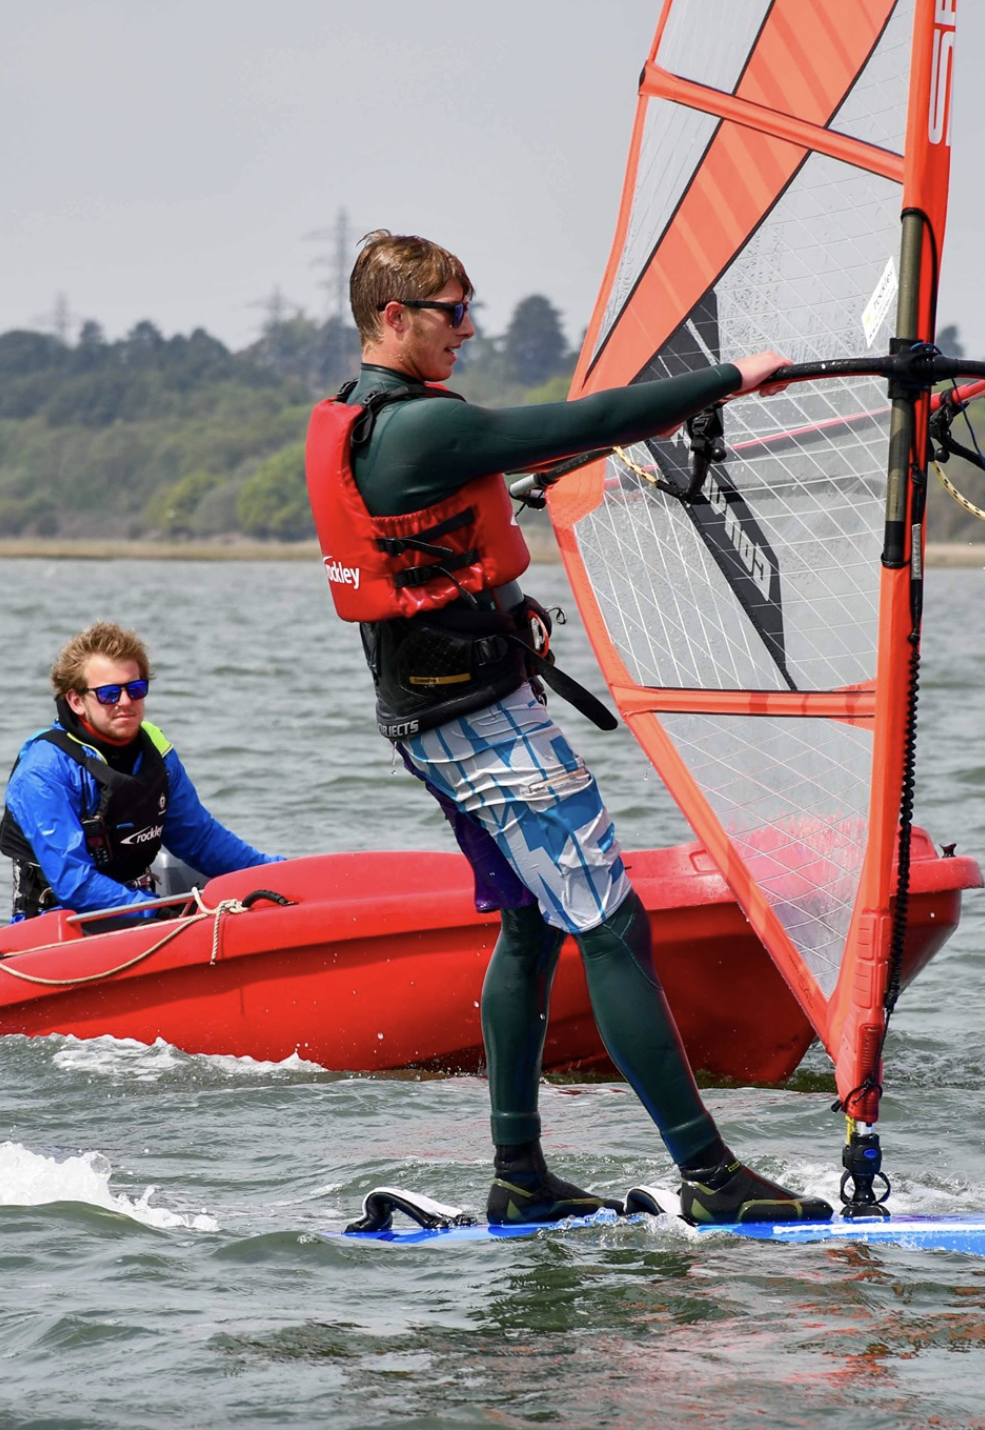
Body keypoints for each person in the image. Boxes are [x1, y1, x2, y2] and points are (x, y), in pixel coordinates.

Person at [304, 230, 831, 1228]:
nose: (468, 328)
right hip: (478, 723)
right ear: (392, 319)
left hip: (436, 715)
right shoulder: (418, 431)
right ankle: (711, 1175)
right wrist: (726, 377)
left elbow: (548, 445)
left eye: (470, 308)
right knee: (612, 923)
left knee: (536, 919)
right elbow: (576, 419)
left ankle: (518, 1173)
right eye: (451, 312)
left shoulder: (369, 422)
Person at [0, 621, 282, 920]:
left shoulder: (155, 749)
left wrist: (278, 873)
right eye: (109, 694)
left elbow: (199, 840)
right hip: (60, 920)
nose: (125, 702)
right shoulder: (43, 770)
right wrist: (160, 913)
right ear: (76, 700)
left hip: (141, 904)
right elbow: (74, 884)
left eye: (135, 689)